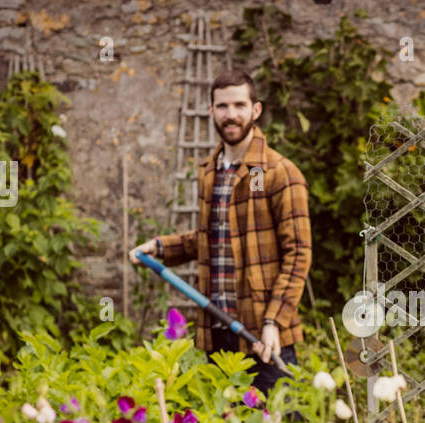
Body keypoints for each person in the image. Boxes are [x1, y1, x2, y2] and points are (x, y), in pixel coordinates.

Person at [130, 69, 311, 395]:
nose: (231, 115)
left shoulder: (279, 173)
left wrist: (274, 321)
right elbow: (211, 238)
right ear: (211, 110)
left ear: (256, 110)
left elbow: (298, 254)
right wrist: (159, 247)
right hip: (219, 333)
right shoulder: (209, 172)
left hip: (264, 336)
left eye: (240, 105)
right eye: (223, 106)